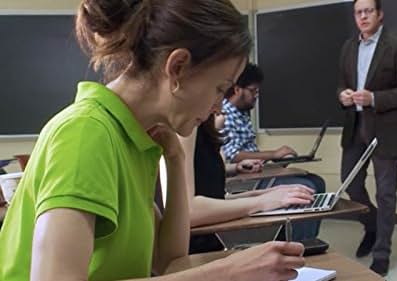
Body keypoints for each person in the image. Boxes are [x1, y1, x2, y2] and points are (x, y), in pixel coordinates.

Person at [0, 1, 306, 280]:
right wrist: (227, 272)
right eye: (219, 88)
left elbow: (167, 261)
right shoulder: (86, 133)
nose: (217, 107)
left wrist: (176, 161)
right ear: (177, 68)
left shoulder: (134, 138)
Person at [337, 0, 397, 276]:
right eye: (358, 12)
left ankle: (382, 252)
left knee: (386, 193)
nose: (362, 16)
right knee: (350, 184)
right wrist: (342, 95)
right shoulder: (349, 47)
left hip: (386, 129)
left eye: (368, 11)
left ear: (379, 14)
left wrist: (375, 98)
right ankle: (371, 224)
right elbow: (341, 83)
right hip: (355, 125)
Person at [180, 114, 315, 253]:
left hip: (212, 241)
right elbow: (189, 211)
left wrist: (261, 194)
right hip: (199, 249)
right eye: (219, 92)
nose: (221, 108)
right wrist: (261, 201)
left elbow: (213, 197)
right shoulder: (186, 128)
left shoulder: (203, 129)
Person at [221, 63, 326, 239]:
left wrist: (276, 161)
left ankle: (309, 239)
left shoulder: (242, 112)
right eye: (253, 91)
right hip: (242, 180)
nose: (256, 96)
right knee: (306, 188)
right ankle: (300, 244)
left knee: (317, 181)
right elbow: (233, 155)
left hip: (255, 171)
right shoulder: (225, 113)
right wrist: (273, 154)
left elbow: (248, 150)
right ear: (237, 89)